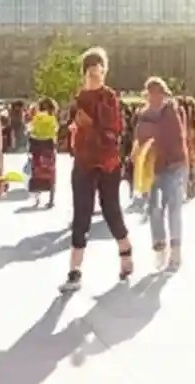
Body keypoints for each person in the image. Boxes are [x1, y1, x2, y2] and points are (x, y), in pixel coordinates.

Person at [61, 47, 133, 293]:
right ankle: (74, 271)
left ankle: (125, 252)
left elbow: (113, 131)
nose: (94, 77)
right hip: (83, 161)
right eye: (90, 73)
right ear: (83, 75)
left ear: (104, 73)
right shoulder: (79, 98)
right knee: (81, 213)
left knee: (110, 208)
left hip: (107, 163)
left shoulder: (109, 98)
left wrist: (90, 126)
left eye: (98, 73)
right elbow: (71, 127)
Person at [134, 77, 187, 271]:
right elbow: (139, 140)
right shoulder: (142, 116)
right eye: (151, 94)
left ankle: (175, 250)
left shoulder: (171, 112)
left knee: (173, 207)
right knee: (154, 209)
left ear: (164, 95)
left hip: (173, 165)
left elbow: (175, 140)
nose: (155, 97)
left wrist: (162, 162)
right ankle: (159, 247)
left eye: (158, 94)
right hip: (152, 168)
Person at [27, 97, 59, 208]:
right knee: (51, 173)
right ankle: (51, 200)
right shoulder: (52, 119)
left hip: (37, 148)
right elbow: (55, 132)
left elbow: (32, 131)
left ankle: (37, 199)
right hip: (49, 148)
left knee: (36, 172)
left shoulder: (37, 117)